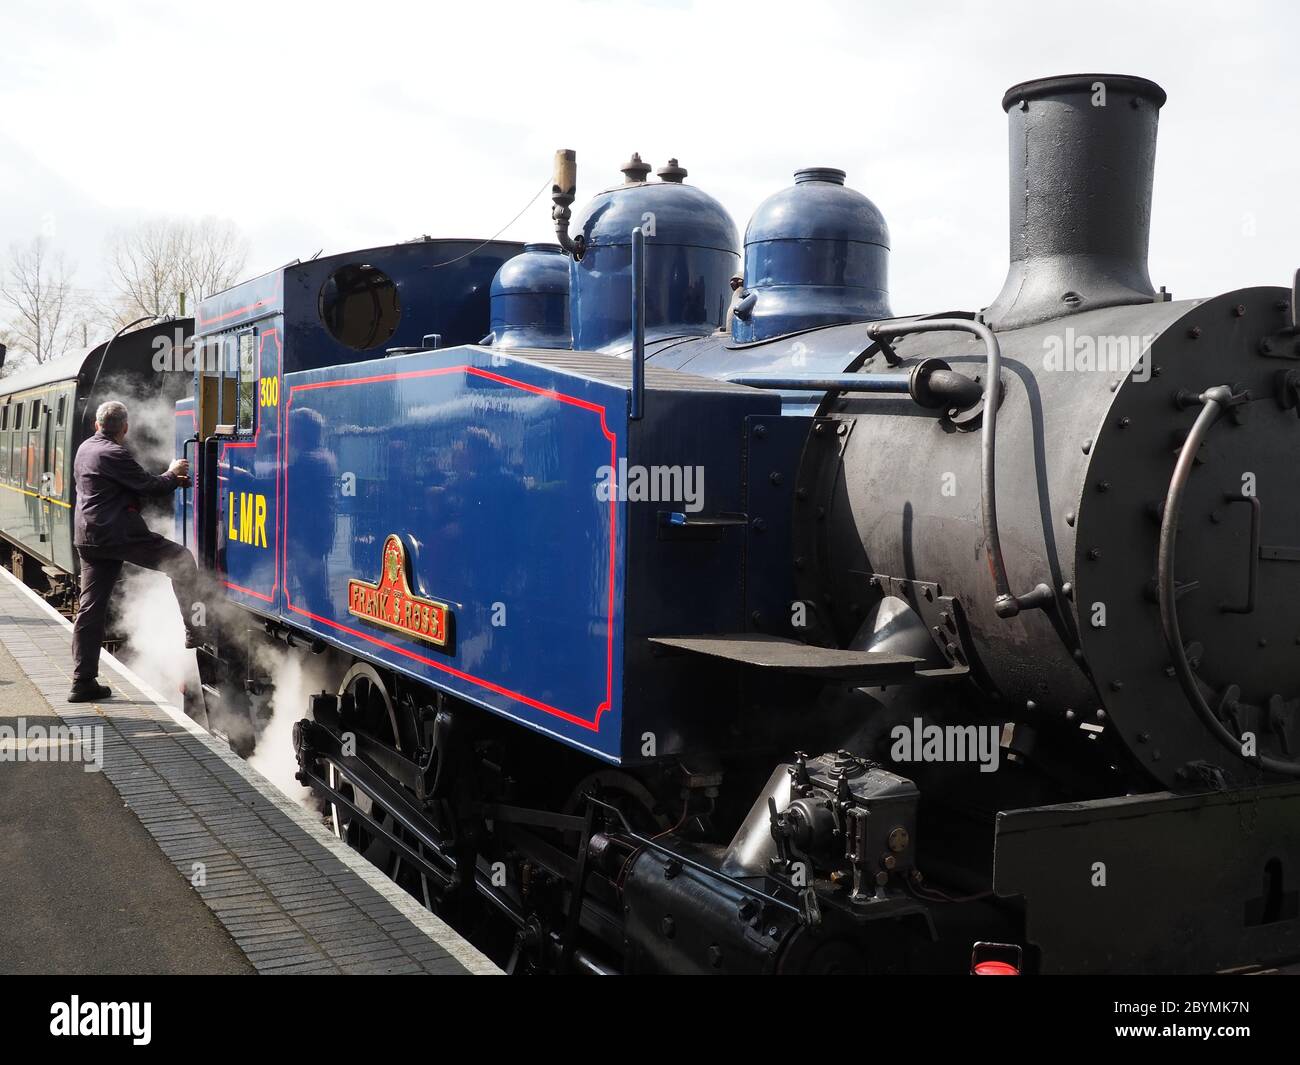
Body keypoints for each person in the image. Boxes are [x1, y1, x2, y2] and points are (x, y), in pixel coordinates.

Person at [68, 400, 199, 702]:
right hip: (118, 534)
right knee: (181, 560)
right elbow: (148, 486)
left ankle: (82, 681)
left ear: (96, 425)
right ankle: (194, 629)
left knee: (90, 609)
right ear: (124, 428)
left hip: (88, 537)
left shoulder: (85, 448)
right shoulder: (114, 453)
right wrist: (173, 473)